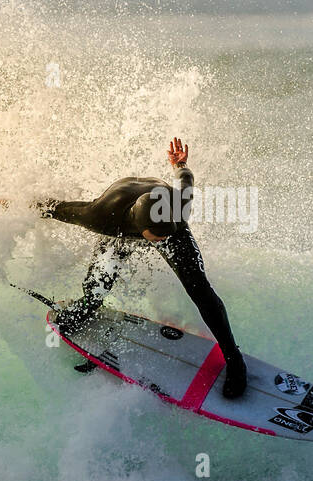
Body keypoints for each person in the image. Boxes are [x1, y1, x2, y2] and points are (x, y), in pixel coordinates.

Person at [20, 137, 248, 399]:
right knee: (98, 288)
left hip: (160, 213)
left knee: (200, 289)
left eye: (165, 234)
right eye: (156, 237)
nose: (161, 242)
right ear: (141, 229)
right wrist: (15, 207)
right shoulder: (101, 216)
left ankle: (234, 359)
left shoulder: (178, 207)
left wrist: (179, 163)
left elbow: (185, 177)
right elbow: (56, 208)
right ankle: (87, 307)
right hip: (122, 217)